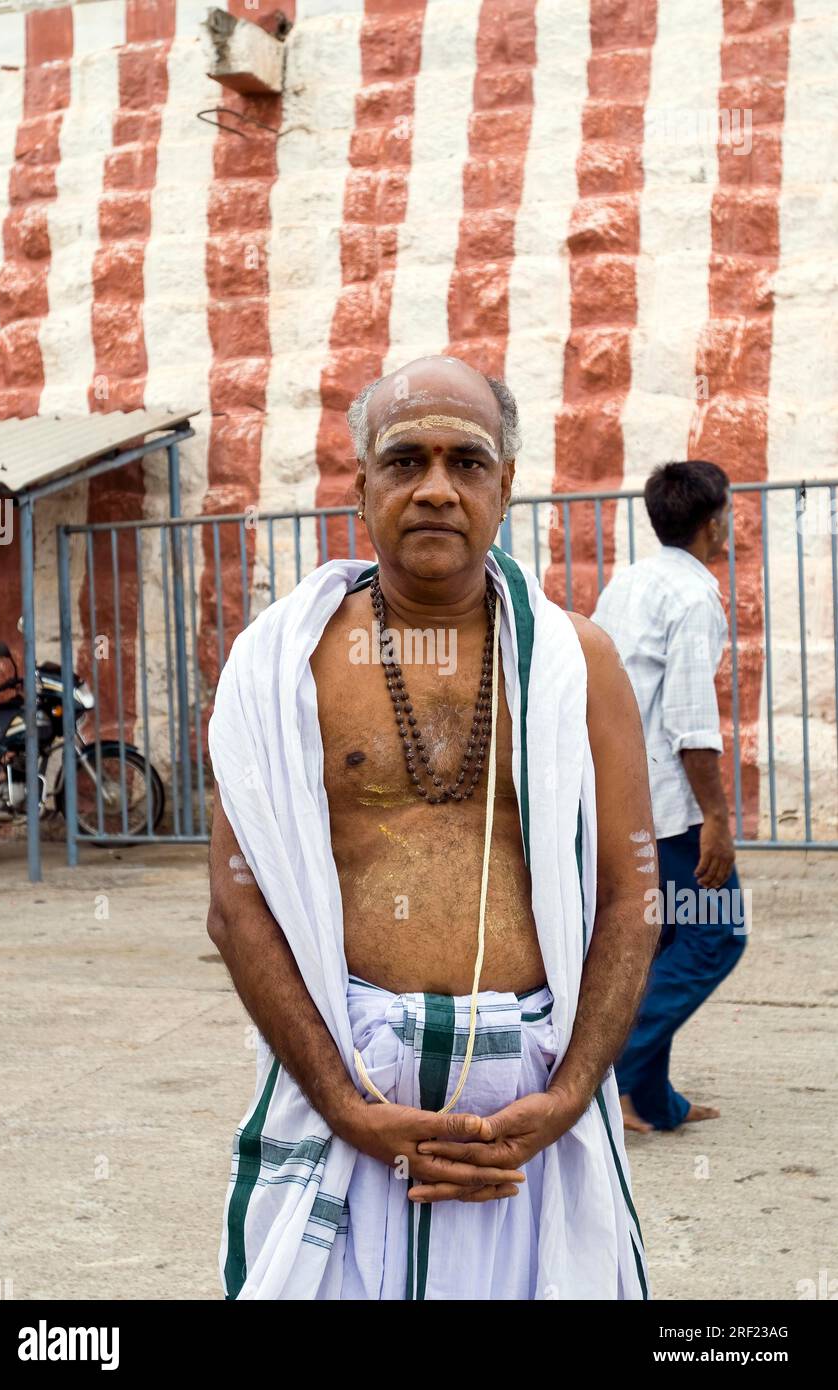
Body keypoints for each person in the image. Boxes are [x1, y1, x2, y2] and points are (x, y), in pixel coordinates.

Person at [206, 356, 658, 1301]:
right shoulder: (282, 666)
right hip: (347, 1099)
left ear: (507, 484)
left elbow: (633, 894)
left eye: (469, 462)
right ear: (362, 483)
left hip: (535, 1107)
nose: (437, 490)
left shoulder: (581, 663)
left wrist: (569, 1096)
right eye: (406, 460)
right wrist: (345, 1106)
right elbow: (238, 911)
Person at [592, 460, 747, 1134]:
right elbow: (691, 721)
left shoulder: (628, 582)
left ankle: (652, 1103)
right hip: (666, 805)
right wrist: (716, 816)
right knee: (716, 936)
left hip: (613, 788)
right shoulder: (694, 597)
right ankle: (607, 1077)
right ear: (715, 524)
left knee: (661, 940)